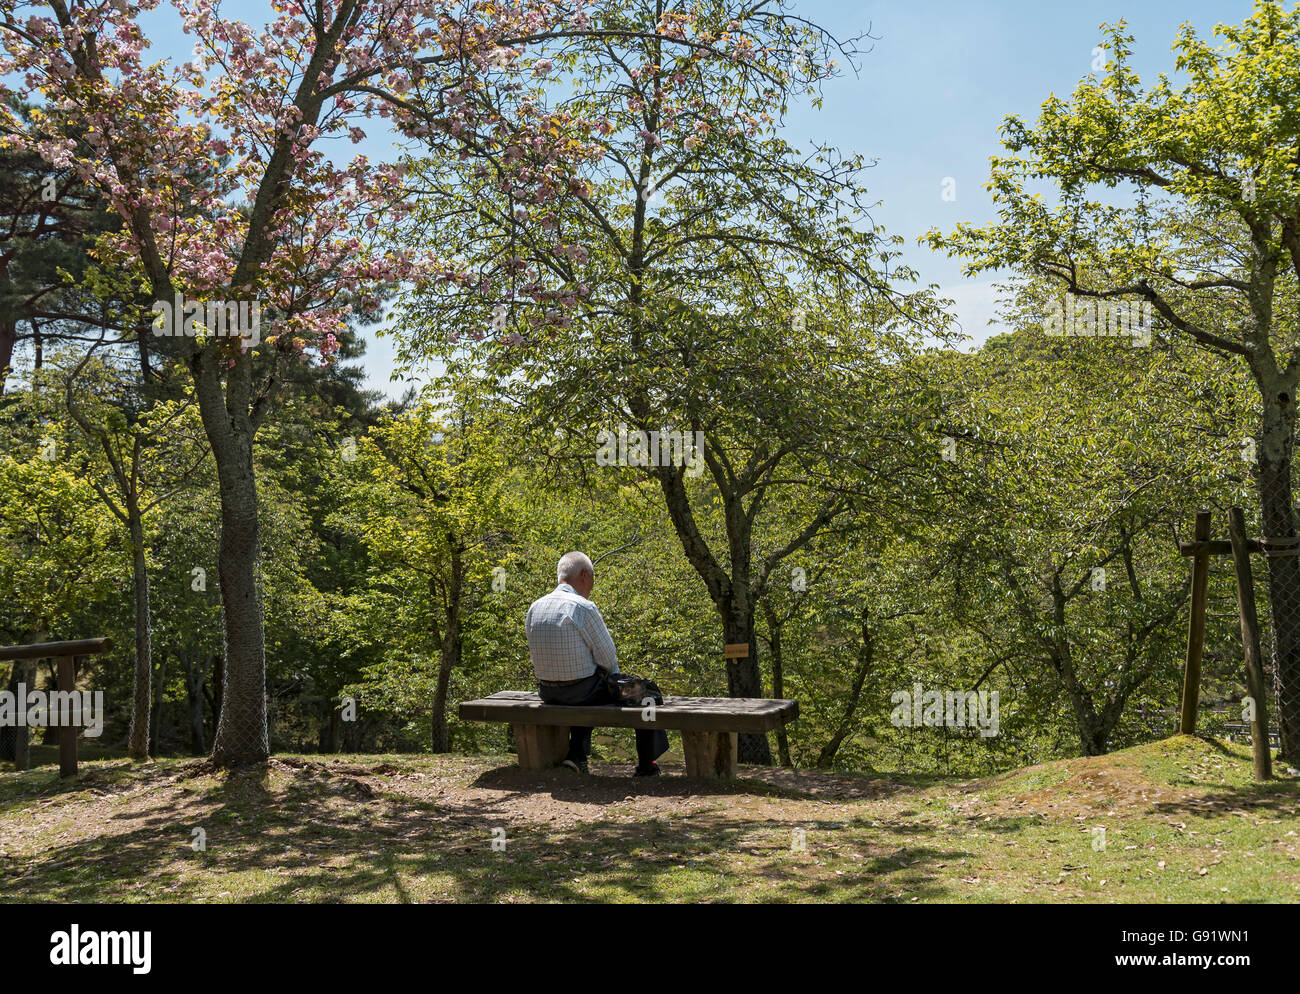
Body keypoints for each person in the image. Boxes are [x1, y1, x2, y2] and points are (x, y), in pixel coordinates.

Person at [525, 551, 668, 776]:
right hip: (583, 692)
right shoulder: (583, 607)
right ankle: (647, 765)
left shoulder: (535, 607)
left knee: (587, 682)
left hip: (548, 692)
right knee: (646, 692)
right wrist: (618, 685)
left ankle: (577, 755)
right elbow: (608, 658)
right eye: (592, 577)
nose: (592, 584)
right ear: (583, 575)